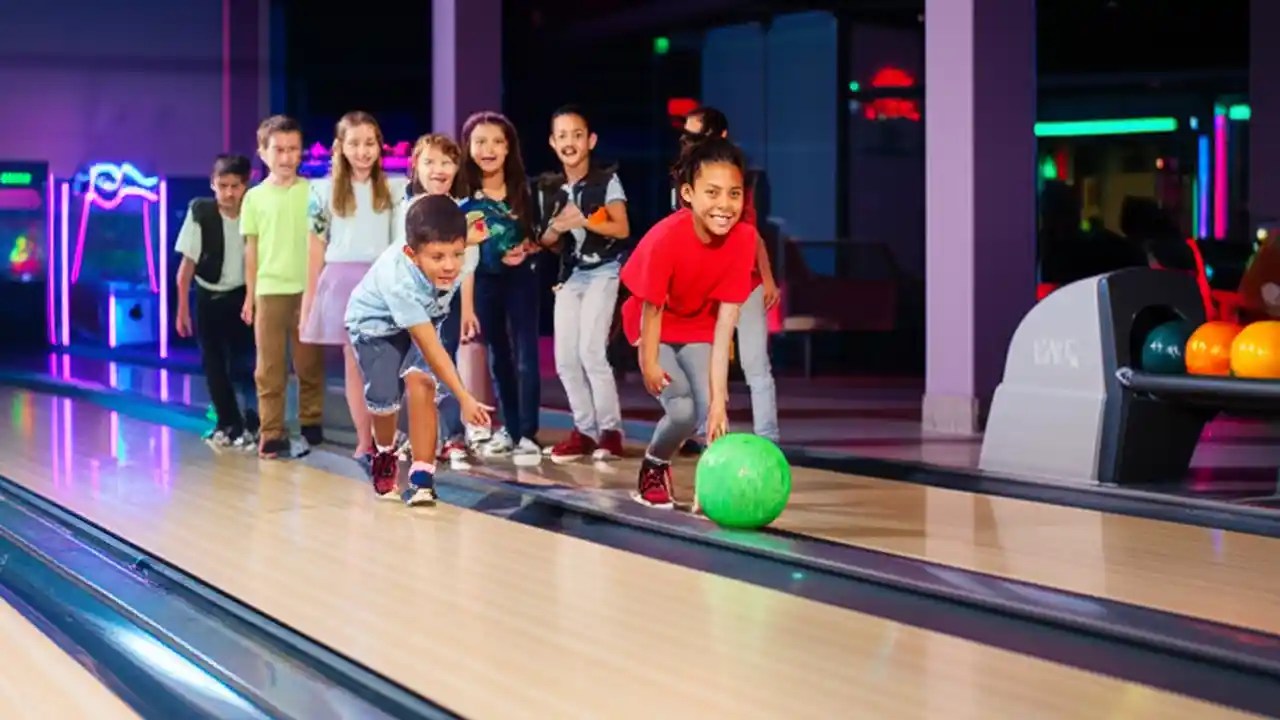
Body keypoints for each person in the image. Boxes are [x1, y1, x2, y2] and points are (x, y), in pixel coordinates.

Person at [620, 136, 757, 508]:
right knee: (682, 411)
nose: (724, 205)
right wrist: (648, 362)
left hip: (698, 325)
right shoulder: (666, 237)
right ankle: (654, 465)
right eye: (712, 192)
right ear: (688, 193)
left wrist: (720, 402)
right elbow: (652, 309)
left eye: (734, 194)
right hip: (656, 326)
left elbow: (726, 321)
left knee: (712, 411)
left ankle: (711, 488)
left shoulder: (744, 240)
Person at [345, 194, 493, 505]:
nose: (450, 266)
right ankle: (383, 453)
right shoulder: (399, 280)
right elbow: (430, 346)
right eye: (437, 257)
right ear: (413, 255)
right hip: (374, 326)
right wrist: (464, 398)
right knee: (384, 400)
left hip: (425, 315)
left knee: (422, 380)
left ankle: (422, 477)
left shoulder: (469, 253)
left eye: (457, 253)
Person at [301, 111, 409, 464]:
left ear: (380, 146)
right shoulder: (321, 189)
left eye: (369, 143)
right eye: (354, 144)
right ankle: (365, 440)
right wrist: (310, 300)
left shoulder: (395, 187)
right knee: (353, 362)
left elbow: (399, 242)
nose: (363, 152)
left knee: (385, 362)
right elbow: (315, 248)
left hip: (382, 279)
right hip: (342, 280)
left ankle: (387, 436)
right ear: (341, 147)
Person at [681, 107, 781, 446]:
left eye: (697, 136)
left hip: (744, 280)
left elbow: (752, 233)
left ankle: (767, 438)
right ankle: (706, 430)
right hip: (704, 283)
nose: (689, 142)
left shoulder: (738, 180)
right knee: (701, 361)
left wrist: (767, 277)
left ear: (719, 136)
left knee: (755, 363)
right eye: (687, 136)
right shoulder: (684, 178)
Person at [535, 105, 628, 463]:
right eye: (562, 136)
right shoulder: (551, 189)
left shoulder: (607, 181)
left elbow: (621, 228)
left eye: (577, 135)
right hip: (570, 276)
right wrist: (555, 229)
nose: (569, 142)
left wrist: (585, 221)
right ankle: (584, 430)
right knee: (564, 359)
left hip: (604, 270)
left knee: (591, 351)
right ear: (552, 143)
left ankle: (611, 431)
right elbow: (546, 241)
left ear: (590, 141)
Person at [240, 114, 326, 459]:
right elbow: (252, 249)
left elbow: (321, 242)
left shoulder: (314, 191)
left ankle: (311, 421)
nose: (287, 157)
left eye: (293, 149)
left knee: (309, 363)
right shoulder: (254, 198)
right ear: (263, 152)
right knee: (269, 366)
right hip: (269, 289)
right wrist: (250, 295)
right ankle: (271, 431)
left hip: (309, 290)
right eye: (279, 150)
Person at [459, 111, 543, 459]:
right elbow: (463, 253)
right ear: (469, 148)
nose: (488, 149)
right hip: (485, 283)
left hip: (522, 279)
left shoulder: (528, 191)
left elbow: (542, 238)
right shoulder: (464, 198)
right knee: (499, 357)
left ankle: (528, 434)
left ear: (509, 148)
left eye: (496, 141)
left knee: (526, 356)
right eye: (480, 142)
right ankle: (509, 428)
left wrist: (528, 248)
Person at [403, 133, 483, 468]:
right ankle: (420, 438)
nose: (439, 169)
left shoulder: (467, 209)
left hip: (447, 305)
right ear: (416, 166)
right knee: (414, 371)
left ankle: (454, 438)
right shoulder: (405, 208)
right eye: (430, 162)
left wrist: (467, 308)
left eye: (447, 162)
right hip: (410, 305)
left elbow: (470, 263)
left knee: (443, 364)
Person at [174, 153, 259, 450]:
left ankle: (252, 421)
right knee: (213, 365)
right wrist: (182, 309)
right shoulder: (201, 213)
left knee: (245, 362)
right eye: (222, 185)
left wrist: (252, 298)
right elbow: (185, 269)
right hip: (208, 297)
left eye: (235, 186)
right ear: (213, 184)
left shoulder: (254, 212)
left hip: (242, 296)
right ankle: (227, 421)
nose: (228, 193)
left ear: (245, 186)